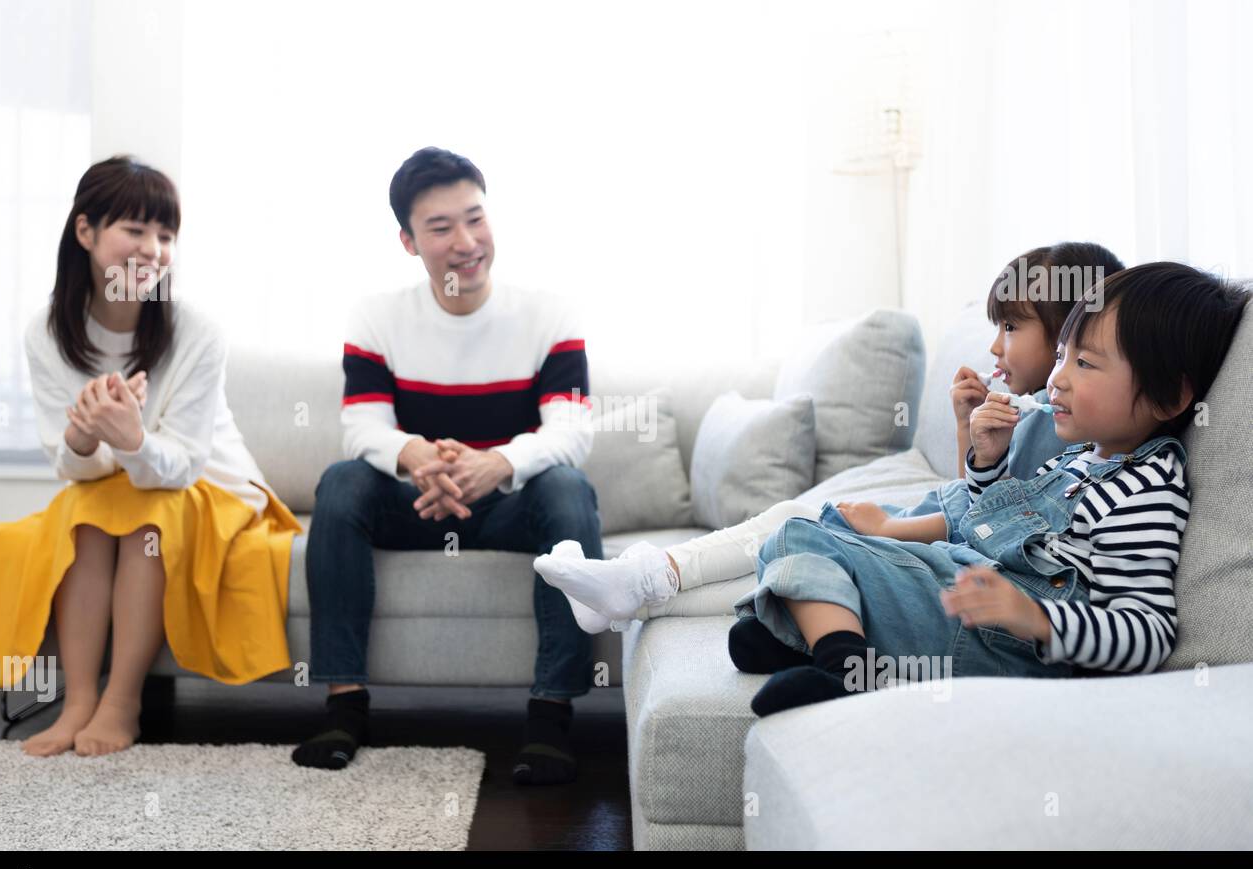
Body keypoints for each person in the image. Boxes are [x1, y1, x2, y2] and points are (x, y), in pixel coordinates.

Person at [533, 242, 1125, 675]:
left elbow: (990, 527)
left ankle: (636, 585)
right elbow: (989, 499)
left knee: (794, 533)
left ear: (1071, 335)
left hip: (937, 526)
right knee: (787, 529)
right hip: (935, 509)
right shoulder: (1032, 412)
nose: (994, 346)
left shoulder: (1071, 425)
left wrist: (898, 525)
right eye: (996, 326)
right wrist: (966, 432)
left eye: (1013, 327)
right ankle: (635, 585)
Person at [737, 261, 1248, 715]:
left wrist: (1037, 617)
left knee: (797, 538)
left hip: (1009, 644)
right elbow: (990, 523)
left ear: (1168, 397)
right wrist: (988, 460)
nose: (1058, 380)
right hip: (976, 589)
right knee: (811, 528)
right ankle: (824, 637)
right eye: (1062, 357)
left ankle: (840, 668)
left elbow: (1148, 631)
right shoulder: (1081, 457)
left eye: (1085, 364)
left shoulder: (1146, 489)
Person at [0, 155, 302, 756]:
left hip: (210, 488)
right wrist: (88, 438)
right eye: (135, 231)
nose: (154, 250)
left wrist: (132, 439)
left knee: (146, 516)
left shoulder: (196, 332)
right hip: (115, 490)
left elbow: (186, 465)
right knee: (83, 515)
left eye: (165, 236)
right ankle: (80, 700)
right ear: (85, 232)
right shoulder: (47, 332)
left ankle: (123, 702)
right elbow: (70, 465)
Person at [292, 147, 602, 785]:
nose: (466, 242)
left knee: (569, 490)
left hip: (508, 504)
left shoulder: (550, 314)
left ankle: (550, 718)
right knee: (342, 483)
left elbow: (570, 430)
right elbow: (362, 426)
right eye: (441, 228)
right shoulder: (377, 316)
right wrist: (417, 456)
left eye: (476, 218)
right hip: (419, 500)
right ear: (408, 241)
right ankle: (344, 706)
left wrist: (496, 464)